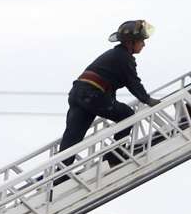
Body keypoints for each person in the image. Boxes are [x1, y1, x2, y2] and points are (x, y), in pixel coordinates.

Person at [57, 20, 161, 176]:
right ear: (130, 42)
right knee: (127, 115)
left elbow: (108, 86)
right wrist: (147, 99)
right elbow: (133, 82)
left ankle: (59, 176)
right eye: (141, 41)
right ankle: (114, 155)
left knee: (73, 137)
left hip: (78, 94)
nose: (144, 45)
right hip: (92, 95)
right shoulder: (124, 58)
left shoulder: (114, 55)